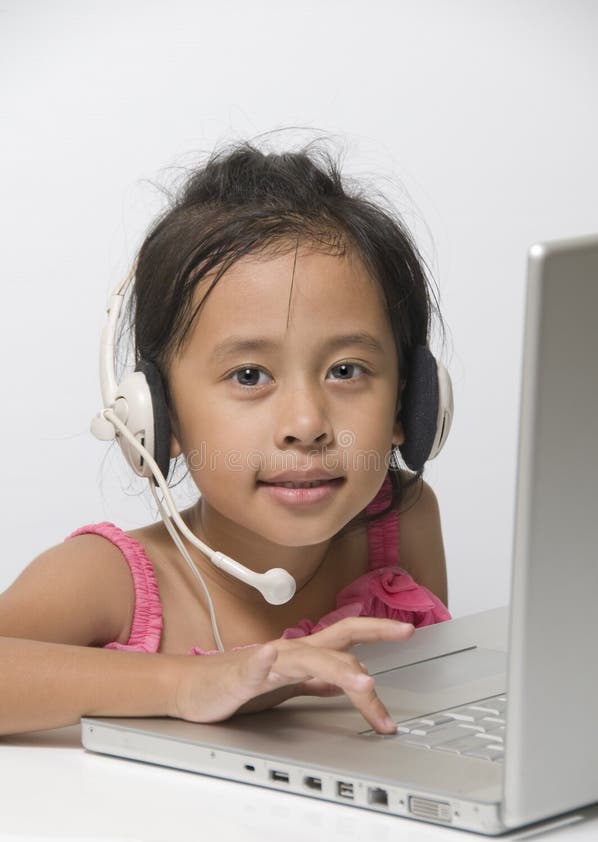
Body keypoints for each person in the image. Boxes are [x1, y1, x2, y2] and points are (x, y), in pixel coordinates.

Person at [0, 138, 452, 738]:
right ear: (157, 416)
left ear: (409, 402)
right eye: (249, 376)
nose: (306, 424)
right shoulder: (106, 578)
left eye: (346, 370)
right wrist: (189, 685)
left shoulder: (403, 521)